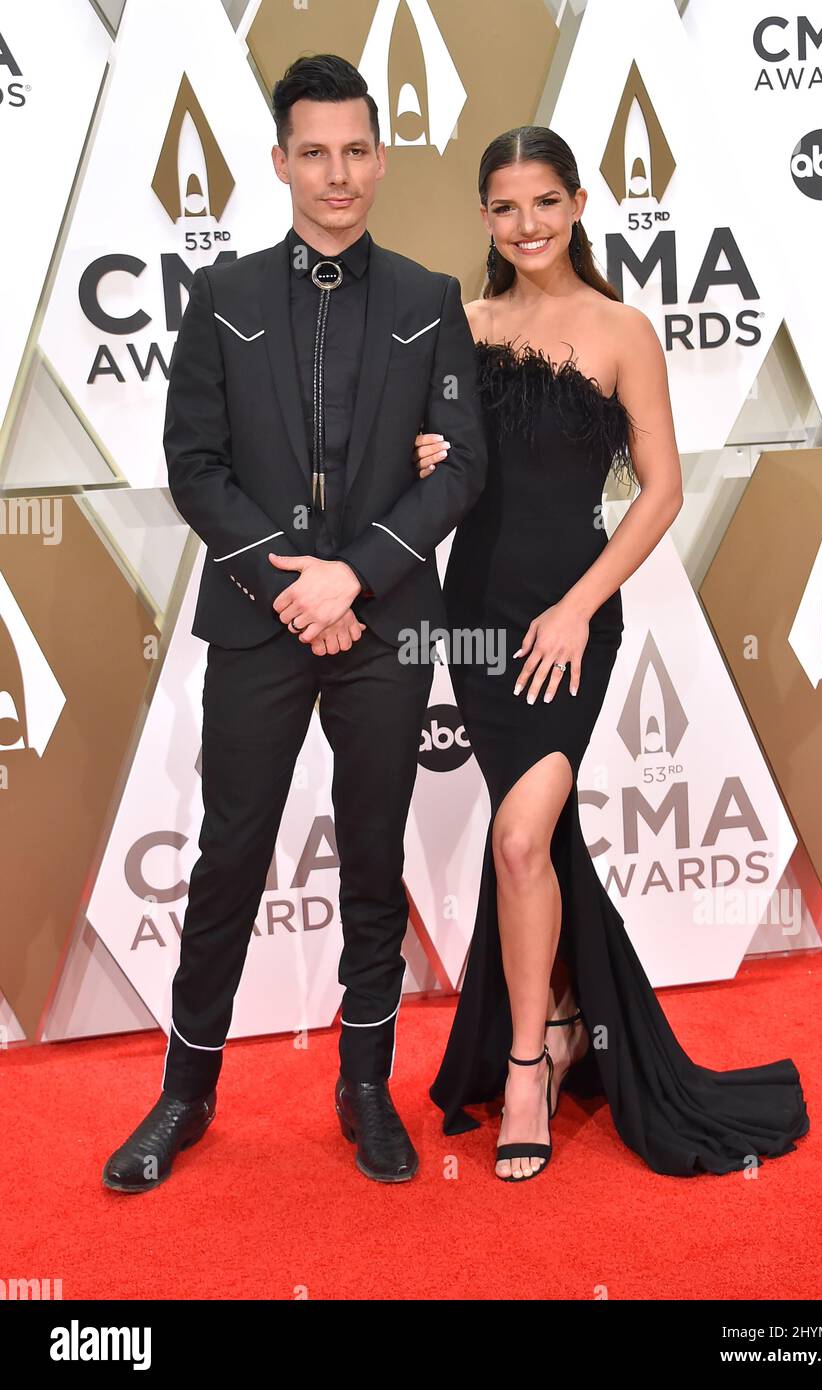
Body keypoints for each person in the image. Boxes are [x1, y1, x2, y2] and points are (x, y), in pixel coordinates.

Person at [101, 54, 487, 1192]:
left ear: (380, 156)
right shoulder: (221, 298)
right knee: (227, 858)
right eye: (313, 152)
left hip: (381, 623)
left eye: (356, 150)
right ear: (279, 162)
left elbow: (459, 468)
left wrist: (352, 577)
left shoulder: (428, 299)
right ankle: (185, 1090)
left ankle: (366, 1087)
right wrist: (291, 583)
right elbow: (195, 468)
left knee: (372, 858)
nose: (337, 174)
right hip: (261, 628)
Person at [413, 126, 809, 1181]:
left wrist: (578, 607)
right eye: (503, 207)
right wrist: (428, 456)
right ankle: (563, 1020)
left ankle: (529, 1064)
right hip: (475, 618)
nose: (525, 225)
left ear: (578, 203)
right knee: (532, 846)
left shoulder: (621, 328)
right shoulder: (460, 325)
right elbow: (440, 475)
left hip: (568, 620)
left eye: (544, 202)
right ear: (484, 216)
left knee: (517, 839)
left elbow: (661, 491)